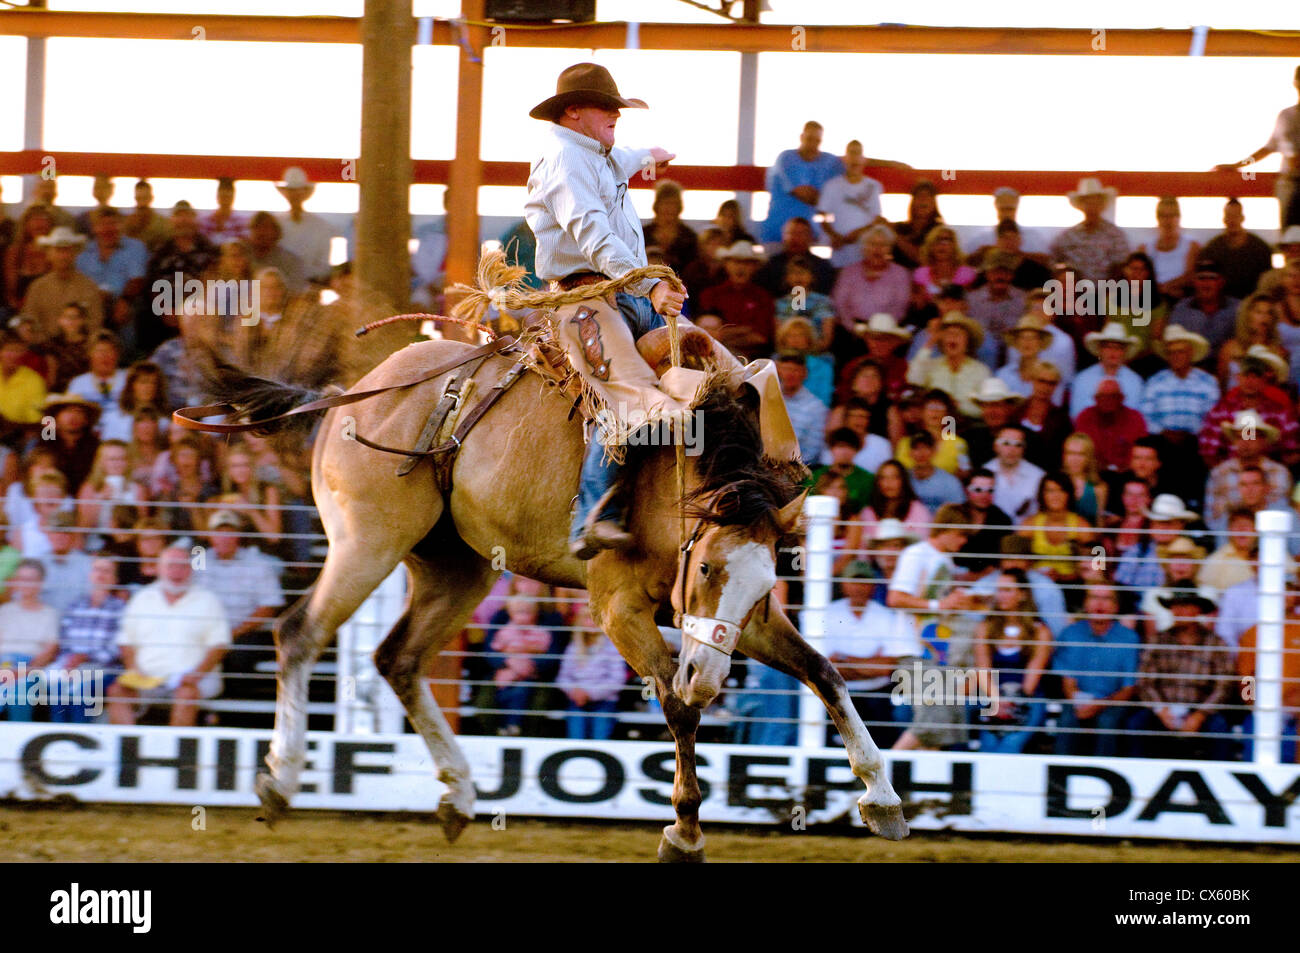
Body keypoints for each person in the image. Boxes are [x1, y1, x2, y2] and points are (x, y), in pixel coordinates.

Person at [522, 62, 694, 559]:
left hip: (624, 292)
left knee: (704, 363)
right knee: (626, 387)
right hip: (584, 297)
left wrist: (650, 156)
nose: (617, 114)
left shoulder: (594, 152)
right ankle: (593, 517)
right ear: (574, 112)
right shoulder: (563, 158)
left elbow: (621, 160)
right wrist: (650, 282)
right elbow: (592, 231)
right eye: (608, 107)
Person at [109, 546, 231, 727]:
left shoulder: (208, 600)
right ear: (158, 569)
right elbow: (126, 642)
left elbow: (220, 645)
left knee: (186, 695)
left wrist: (196, 674)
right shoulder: (142, 598)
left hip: (192, 679)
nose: (177, 572)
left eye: (183, 566)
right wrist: (134, 669)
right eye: (171, 566)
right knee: (117, 691)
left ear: (191, 570)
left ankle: (175, 753)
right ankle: (129, 752)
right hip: (148, 678)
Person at [1128, 590, 1234, 760]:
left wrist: (1200, 714)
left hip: (1200, 710)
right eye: (1175, 607)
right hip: (1163, 709)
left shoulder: (1216, 643)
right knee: (1136, 724)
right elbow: (1145, 681)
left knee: (1219, 727)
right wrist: (1161, 709)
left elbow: (1224, 685)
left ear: (1198, 610)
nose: (1179, 612)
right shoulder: (1158, 641)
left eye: (1185, 606)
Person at [824, 560, 914, 748]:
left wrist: (844, 660)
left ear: (873, 585)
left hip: (877, 696)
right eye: (853, 582)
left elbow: (885, 668)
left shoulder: (886, 616)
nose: (859, 588)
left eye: (864, 582)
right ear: (843, 584)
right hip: (836, 695)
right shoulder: (827, 613)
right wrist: (868, 663)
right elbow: (825, 667)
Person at [31, 554, 125, 722]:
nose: (100, 574)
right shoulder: (75, 605)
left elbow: (117, 649)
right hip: (71, 665)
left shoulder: (120, 609)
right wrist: (70, 661)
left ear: (115, 579)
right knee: (58, 688)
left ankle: (79, 736)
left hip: (103, 668)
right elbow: (65, 640)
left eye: (106, 571)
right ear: (90, 575)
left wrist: (85, 657)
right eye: (97, 570)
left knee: (81, 690)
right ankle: (59, 736)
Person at [1052, 584, 1141, 756]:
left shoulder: (1129, 638)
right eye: (1094, 597)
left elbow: (1129, 688)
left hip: (1112, 701)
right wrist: (1081, 703)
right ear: (1085, 603)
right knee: (1068, 719)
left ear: (1116, 607)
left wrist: (1099, 705)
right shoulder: (1071, 634)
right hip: (1078, 699)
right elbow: (1068, 682)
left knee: (1107, 722)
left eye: (1106, 598)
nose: (1099, 604)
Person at [973, 569, 1053, 753]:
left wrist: (1013, 703)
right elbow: (983, 668)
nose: (1001, 595)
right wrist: (997, 701)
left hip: (1026, 699)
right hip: (992, 698)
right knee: (989, 746)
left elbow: (1032, 676)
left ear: (1023, 594)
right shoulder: (985, 628)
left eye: (1008, 590)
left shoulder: (1039, 631)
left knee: (1011, 744)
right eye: (999, 590)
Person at [1215, 64, 1300, 228]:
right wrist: (1238, 165)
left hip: (1289, 184)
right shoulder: (1287, 117)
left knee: (1291, 236)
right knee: (1291, 239)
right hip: (1291, 185)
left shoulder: (1287, 117)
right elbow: (1271, 150)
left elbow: (1280, 153)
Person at [1198, 353, 1300, 468]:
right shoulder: (1221, 411)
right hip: (1231, 471)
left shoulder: (1280, 412)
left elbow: (1293, 452)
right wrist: (1228, 471)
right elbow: (1208, 452)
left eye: (1256, 376)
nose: (1250, 381)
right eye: (1246, 375)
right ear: (1238, 378)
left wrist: (1273, 470)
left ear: (1264, 380)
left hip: (1269, 473)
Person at [1203, 412, 1292, 534]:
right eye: (1240, 437)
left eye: (1251, 436)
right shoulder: (1219, 474)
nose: (1245, 442)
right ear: (1233, 441)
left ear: (1263, 440)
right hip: (1230, 540)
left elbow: (1285, 513)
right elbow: (1211, 518)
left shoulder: (1280, 473)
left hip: (1272, 535)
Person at [760, 121, 844, 245]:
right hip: (777, 234)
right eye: (810, 139)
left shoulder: (829, 160)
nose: (813, 144)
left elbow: (853, 160)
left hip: (805, 236)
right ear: (801, 137)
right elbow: (806, 195)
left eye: (817, 141)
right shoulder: (786, 158)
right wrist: (829, 200)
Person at [19, 226, 104, 342]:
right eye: (58, 250)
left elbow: (95, 324)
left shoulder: (89, 286)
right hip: (44, 348)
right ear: (49, 254)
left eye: (67, 250)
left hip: (79, 349)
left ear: (75, 254)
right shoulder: (37, 287)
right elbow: (29, 322)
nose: (63, 256)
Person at [556, 600, 627, 740]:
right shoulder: (573, 648)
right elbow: (563, 677)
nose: (593, 622)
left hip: (604, 701)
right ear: (580, 622)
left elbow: (617, 679)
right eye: (588, 618)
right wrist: (574, 691)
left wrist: (590, 693)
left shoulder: (612, 647)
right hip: (577, 700)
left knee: (600, 735)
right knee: (576, 733)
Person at [0, 559, 60, 721]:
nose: (25, 584)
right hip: (3, 666)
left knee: (18, 690)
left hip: (30, 669)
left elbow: (49, 652)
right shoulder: (5, 611)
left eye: (31, 580)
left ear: (40, 583)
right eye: (22, 579)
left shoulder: (49, 614)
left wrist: (19, 672)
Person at [698, 241, 775, 360]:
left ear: (755, 267)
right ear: (726, 265)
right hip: (713, 357)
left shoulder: (763, 297)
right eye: (736, 262)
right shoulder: (711, 294)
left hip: (754, 360)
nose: (740, 267)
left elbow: (761, 338)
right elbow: (707, 333)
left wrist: (724, 334)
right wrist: (745, 330)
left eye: (747, 263)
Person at [488, 594, 553, 736]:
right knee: (503, 695)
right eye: (519, 612)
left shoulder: (540, 633)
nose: (522, 617)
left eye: (527, 613)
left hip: (527, 675)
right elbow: (496, 648)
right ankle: (503, 725)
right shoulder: (504, 632)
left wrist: (519, 663)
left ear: (534, 614)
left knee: (520, 693)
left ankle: (514, 724)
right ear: (510, 613)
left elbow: (542, 648)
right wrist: (510, 663)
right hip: (507, 674)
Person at [830, 225, 912, 335]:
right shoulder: (849, 272)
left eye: (883, 245)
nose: (877, 249)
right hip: (851, 330)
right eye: (872, 244)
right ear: (863, 247)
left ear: (890, 249)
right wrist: (853, 328)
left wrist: (881, 329)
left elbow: (900, 306)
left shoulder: (900, 273)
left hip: (886, 331)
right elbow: (840, 304)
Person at [905, 314, 990, 420]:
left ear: (967, 341)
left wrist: (957, 406)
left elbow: (985, 409)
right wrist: (930, 342)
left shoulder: (981, 370)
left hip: (969, 425)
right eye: (948, 334)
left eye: (958, 335)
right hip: (937, 425)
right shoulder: (932, 365)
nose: (953, 338)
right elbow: (913, 378)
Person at [818, 140, 887, 269]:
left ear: (864, 159)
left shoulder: (873, 186)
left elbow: (877, 219)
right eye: (851, 153)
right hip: (840, 250)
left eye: (858, 153)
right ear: (845, 159)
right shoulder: (832, 186)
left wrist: (859, 233)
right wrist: (833, 235)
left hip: (866, 251)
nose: (854, 158)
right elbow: (822, 216)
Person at [1018, 471, 1094, 588]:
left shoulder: (1082, 525)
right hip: (1036, 586)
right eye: (1050, 491)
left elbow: (1098, 564)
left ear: (1069, 494)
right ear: (1042, 495)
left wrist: (1063, 577)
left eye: (1061, 490)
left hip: (1072, 587)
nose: (1056, 496)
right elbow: (1015, 563)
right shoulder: (1029, 524)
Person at [1049, 178, 1130, 284]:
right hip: (1075, 294)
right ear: (1081, 206)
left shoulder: (1115, 235)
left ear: (1102, 205)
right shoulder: (1067, 236)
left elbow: (1121, 265)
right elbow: (1054, 261)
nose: (1091, 207)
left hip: (1105, 292)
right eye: (1087, 203)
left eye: (1095, 202)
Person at [1199, 197, 1274, 300]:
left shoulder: (1260, 249)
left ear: (1242, 218)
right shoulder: (1212, 249)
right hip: (1221, 305)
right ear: (1224, 219)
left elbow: (1267, 284)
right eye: (1229, 216)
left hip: (1252, 306)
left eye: (1236, 216)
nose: (1232, 220)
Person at [1069, 322, 1145, 421]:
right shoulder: (1082, 379)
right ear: (1100, 350)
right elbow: (1076, 417)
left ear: (1125, 352)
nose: (1113, 352)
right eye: (1108, 347)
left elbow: (1136, 418)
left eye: (1118, 348)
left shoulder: (1135, 381)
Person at [1074, 378, 1149, 475]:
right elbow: (1082, 451)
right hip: (1093, 473)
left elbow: (1140, 452)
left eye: (1113, 396)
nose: (1107, 401)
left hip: (1128, 474)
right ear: (1095, 399)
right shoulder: (1085, 417)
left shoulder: (1135, 418)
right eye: (1102, 397)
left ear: (1122, 398)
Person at [1168, 257, 1240, 356]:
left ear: (1222, 282)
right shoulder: (1181, 309)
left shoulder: (1237, 308)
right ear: (1194, 282)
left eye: (1212, 278)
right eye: (1201, 278)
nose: (1206, 284)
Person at [275, 166, 335, 283]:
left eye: (298, 190)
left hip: (311, 284)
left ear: (305, 192)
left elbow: (324, 264)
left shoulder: (321, 225)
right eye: (291, 190)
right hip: (281, 286)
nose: (295, 194)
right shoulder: (276, 222)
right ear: (285, 193)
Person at [967, 252, 1027, 370]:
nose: (1000, 276)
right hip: (980, 358)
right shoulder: (972, 300)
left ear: (1012, 275)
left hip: (1013, 357)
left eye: (1005, 272)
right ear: (987, 274)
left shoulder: (1023, 300)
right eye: (995, 272)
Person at [953, 467, 1012, 578]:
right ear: (966, 490)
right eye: (978, 490)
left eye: (990, 490)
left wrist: (973, 578)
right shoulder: (955, 515)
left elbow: (1001, 562)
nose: (984, 495)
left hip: (988, 580)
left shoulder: (1002, 520)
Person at [754, 217, 835, 298]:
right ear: (783, 237)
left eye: (801, 234)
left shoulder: (822, 267)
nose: (795, 238)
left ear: (810, 238)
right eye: (791, 233)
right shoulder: (771, 265)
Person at [1137, 196, 1199, 299]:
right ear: (1157, 218)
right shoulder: (1144, 248)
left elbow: (1190, 276)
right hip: (1150, 299)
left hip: (1180, 299)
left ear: (1178, 217)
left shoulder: (1191, 246)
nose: (1167, 220)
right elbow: (1139, 276)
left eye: (1172, 215)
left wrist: (1166, 287)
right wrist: (1161, 290)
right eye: (1163, 216)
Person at [983, 424, 1044, 522]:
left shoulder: (1038, 476)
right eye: (1006, 443)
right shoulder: (983, 473)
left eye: (1018, 444)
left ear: (1024, 448)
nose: (1012, 450)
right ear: (995, 446)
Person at [891, 180, 943, 270]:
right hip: (898, 279)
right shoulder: (900, 228)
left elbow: (923, 259)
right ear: (913, 202)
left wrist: (896, 237)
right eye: (919, 196)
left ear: (934, 204)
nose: (924, 199)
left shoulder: (939, 230)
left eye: (928, 196)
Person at [1059, 432, 1108, 525]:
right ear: (1064, 456)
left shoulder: (1099, 488)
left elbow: (1099, 525)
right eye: (1071, 453)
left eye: (1081, 454)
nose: (1075, 459)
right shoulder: (1055, 484)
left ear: (1089, 457)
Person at [122, 179, 171, 253]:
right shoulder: (127, 223)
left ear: (151, 198)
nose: (142, 203)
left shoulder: (163, 224)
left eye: (145, 198)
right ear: (135, 199)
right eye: (139, 198)